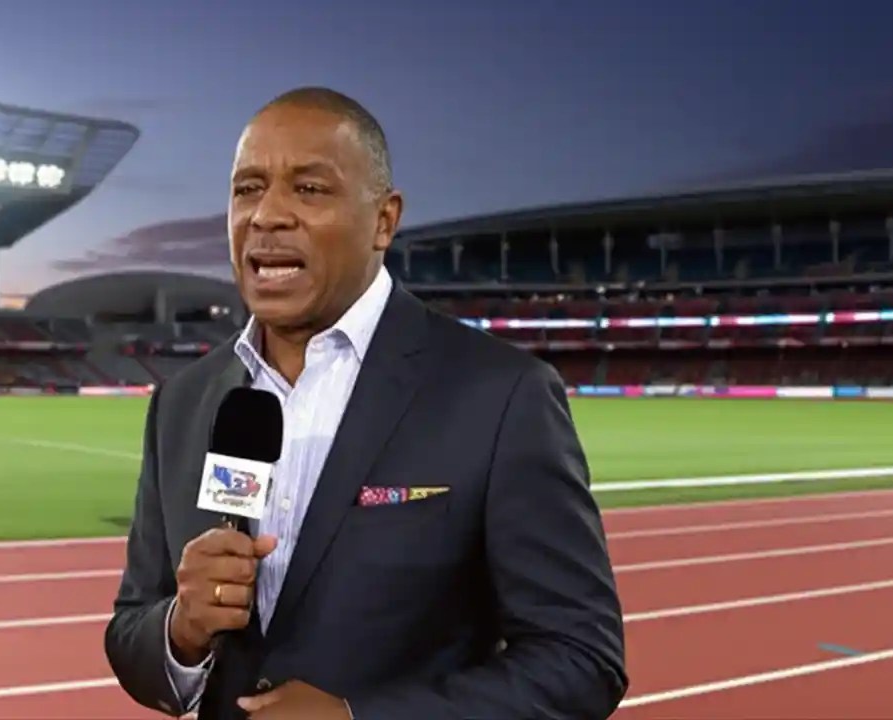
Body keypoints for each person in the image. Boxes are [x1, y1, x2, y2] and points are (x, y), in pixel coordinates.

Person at [103, 86, 627, 720]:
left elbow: (581, 660)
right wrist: (181, 630)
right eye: (248, 189)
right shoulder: (183, 402)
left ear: (383, 220)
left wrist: (362, 717)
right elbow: (132, 631)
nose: (267, 215)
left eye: (309, 189)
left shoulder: (501, 394)